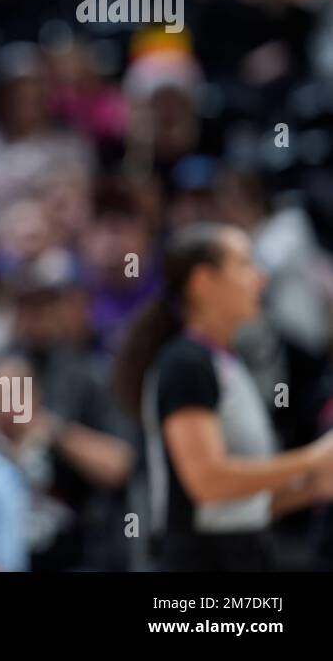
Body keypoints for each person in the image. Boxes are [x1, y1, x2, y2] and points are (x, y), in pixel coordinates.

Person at [112, 222, 333, 571]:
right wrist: (311, 460)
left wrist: (312, 487)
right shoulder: (185, 363)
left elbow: (240, 504)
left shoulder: (225, 361)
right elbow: (208, 482)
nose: (260, 278)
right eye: (245, 265)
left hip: (242, 553)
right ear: (203, 282)